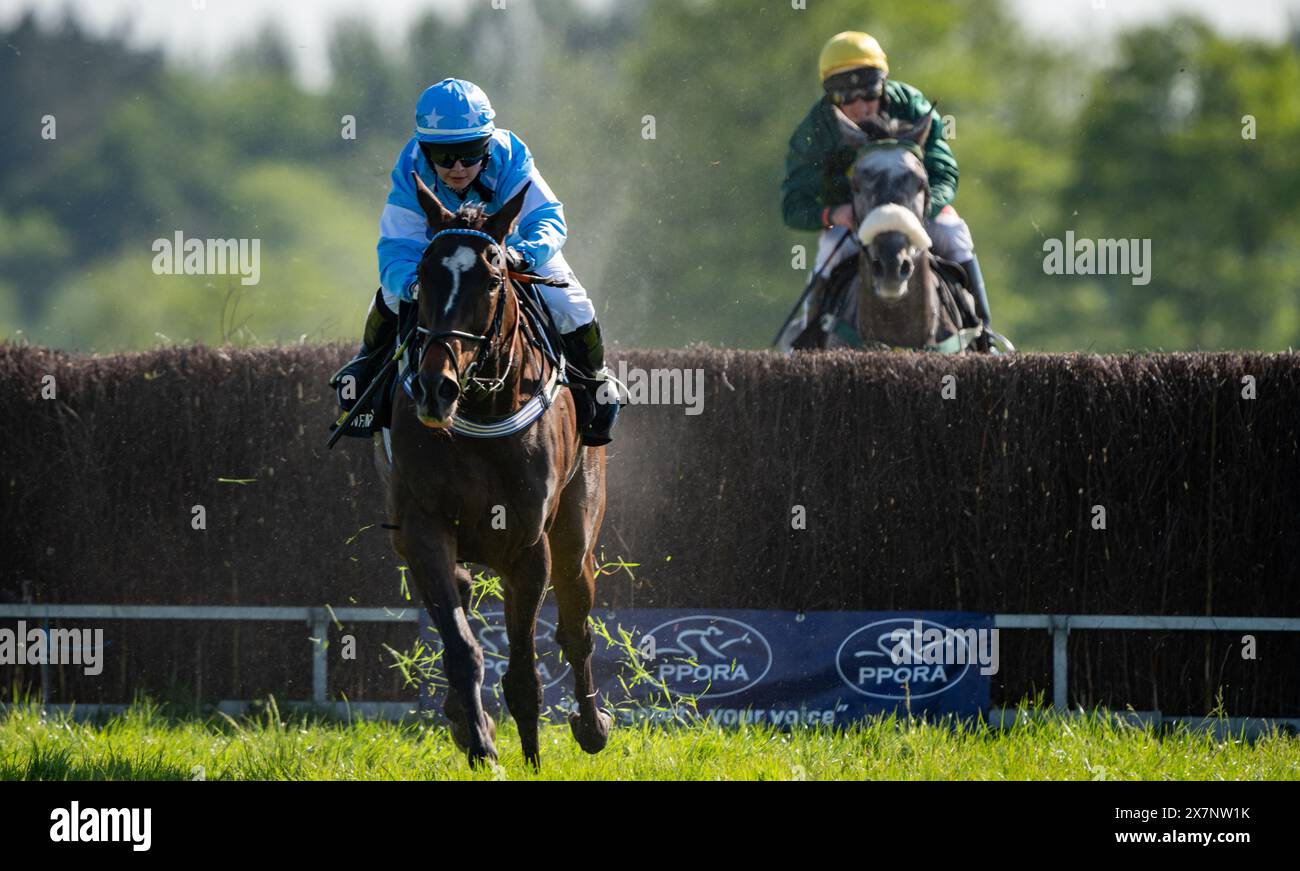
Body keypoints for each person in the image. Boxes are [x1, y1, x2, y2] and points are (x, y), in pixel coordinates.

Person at [331, 77, 617, 446]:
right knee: (388, 296)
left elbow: (547, 217)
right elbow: (396, 247)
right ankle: (365, 377)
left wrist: (522, 255)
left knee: (571, 303)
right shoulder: (411, 164)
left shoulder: (509, 153)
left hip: (514, 248)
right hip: (442, 257)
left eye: (469, 151)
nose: (457, 166)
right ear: (424, 148)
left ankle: (595, 383)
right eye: (442, 155)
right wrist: (413, 285)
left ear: (487, 143)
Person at [779, 31, 994, 346]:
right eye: (846, 97)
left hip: (918, 213)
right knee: (830, 247)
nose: (861, 106)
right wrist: (833, 214)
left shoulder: (912, 105)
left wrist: (922, 210)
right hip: (854, 220)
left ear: (883, 84)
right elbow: (793, 205)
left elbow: (943, 170)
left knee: (954, 231)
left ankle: (985, 338)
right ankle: (809, 343)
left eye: (868, 92)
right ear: (830, 96)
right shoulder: (816, 128)